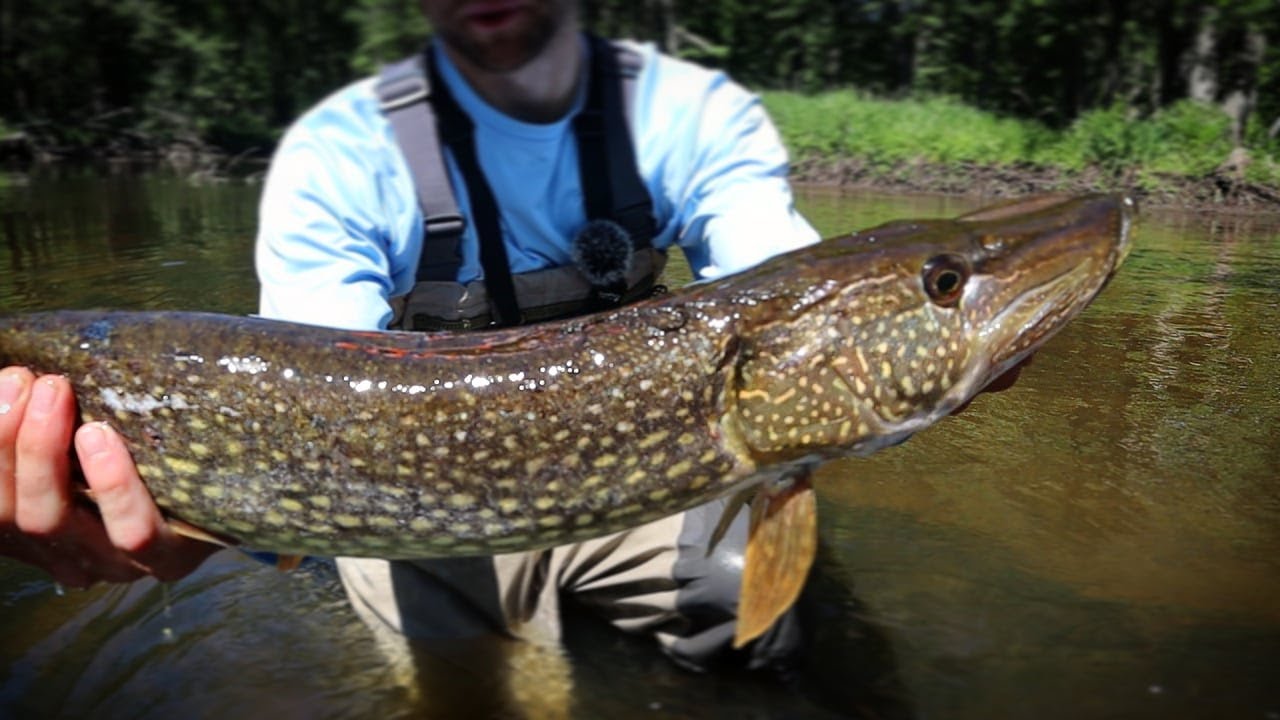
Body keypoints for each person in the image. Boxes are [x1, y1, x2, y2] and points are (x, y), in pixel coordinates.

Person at [0, 0, 818, 673]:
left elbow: (787, 294)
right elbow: (314, 426)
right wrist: (226, 524)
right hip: (411, 498)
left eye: (951, 287)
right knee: (477, 693)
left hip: (642, 465)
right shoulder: (338, 152)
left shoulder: (688, 114)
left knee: (747, 632)